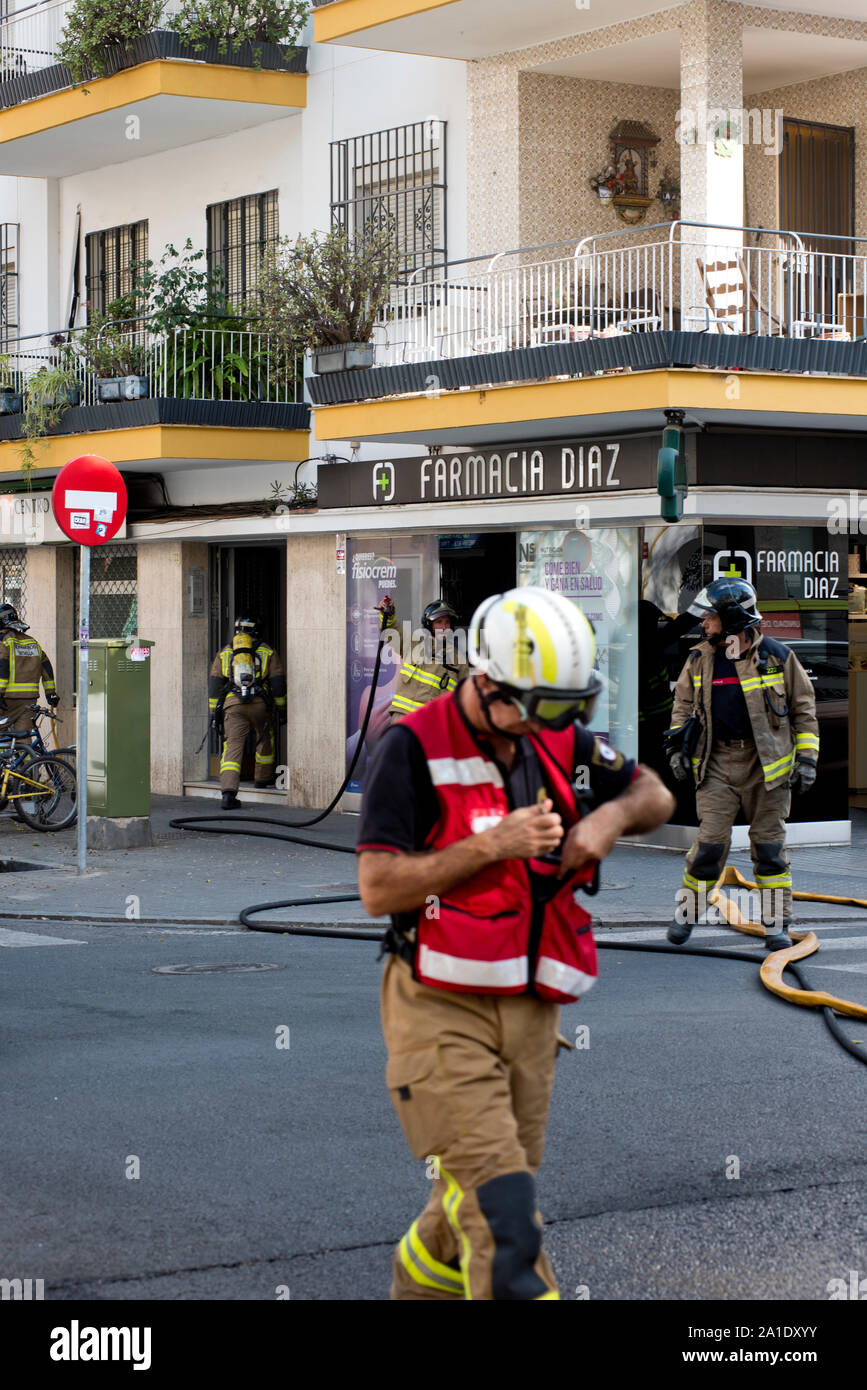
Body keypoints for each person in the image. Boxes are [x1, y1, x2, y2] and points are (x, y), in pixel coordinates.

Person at [357, 586, 674, 1301]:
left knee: (469, 1203)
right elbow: (377, 888)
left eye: (565, 712)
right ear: (486, 683)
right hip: (438, 1005)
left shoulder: (555, 732)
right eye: (537, 711)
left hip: (531, 1007)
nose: (546, 730)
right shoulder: (409, 749)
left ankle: (417, 1281)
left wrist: (610, 819)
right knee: (505, 1221)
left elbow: (654, 793)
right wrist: (490, 845)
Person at [665, 577, 819, 950]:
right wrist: (675, 748)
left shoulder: (778, 657)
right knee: (709, 848)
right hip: (716, 764)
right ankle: (686, 916)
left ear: (732, 619)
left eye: (711, 618)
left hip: (767, 768)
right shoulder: (700, 658)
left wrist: (808, 759)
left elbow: (804, 709)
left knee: (768, 851)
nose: (704, 624)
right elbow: (682, 707)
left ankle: (776, 926)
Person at [208, 616, 286, 810]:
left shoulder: (225, 652)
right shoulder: (268, 651)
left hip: (233, 705)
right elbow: (277, 685)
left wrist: (214, 712)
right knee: (265, 737)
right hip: (260, 704)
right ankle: (262, 779)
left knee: (232, 746)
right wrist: (281, 709)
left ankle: (228, 793)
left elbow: (215, 685)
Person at [389, 599, 469, 723]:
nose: (444, 627)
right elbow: (392, 631)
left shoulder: (460, 661)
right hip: (403, 718)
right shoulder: (415, 644)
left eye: (447, 622)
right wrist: (388, 615)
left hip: (433, 724)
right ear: (429, 625)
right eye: (439, 622)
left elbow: (466, 697)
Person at [0, 603, 59, 734]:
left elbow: (2, 667)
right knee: (23, 738)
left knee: (3, 736)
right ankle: (26, 755)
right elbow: (46, 667)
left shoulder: (3, 641)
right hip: (29, 699)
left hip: (7, 699)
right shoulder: (32, 642)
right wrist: (51, 693)